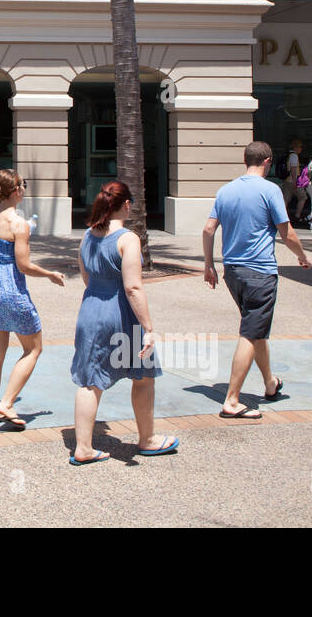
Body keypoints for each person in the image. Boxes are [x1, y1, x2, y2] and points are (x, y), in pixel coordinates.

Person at [68, 181, 177, 465]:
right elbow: (133, 288)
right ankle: (148, 439)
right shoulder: (128, 238)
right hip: (119, 314)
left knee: (90, 380)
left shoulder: (88, 235)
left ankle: (83, 447)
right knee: (142, 376)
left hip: (91, 310)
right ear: (126, 204)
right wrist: (149, 328)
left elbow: (86, 277)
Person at [203, 141, 311, 419]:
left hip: (233, 272)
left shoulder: (226, 190)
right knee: (250, 333)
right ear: (267, 162)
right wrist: (302, 256)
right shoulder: (270, 190)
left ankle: (269, 383)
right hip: (260, 273)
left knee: (256, 326)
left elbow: (208, 229)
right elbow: (286, 234)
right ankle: (232, 400)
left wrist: (208, 265)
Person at [0, 168, 64, 427]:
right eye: (23, 185)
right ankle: (6, 402)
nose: (24, 189)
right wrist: (49, 274)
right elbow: (24, 266)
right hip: (10, 289)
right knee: (33, 348)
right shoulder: (18, 224)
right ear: (15, 190)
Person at [286, 139, 309, 223]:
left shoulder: (288, 154)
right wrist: (295, 182)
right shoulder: (294, 156)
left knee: (286, 199)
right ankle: (297, 215)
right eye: (300, 147)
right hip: (293, 180)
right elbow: (293, 169)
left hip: (287, 180)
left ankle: (282, 217)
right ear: (296, 147)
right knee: (303, 197)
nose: (301, 149)